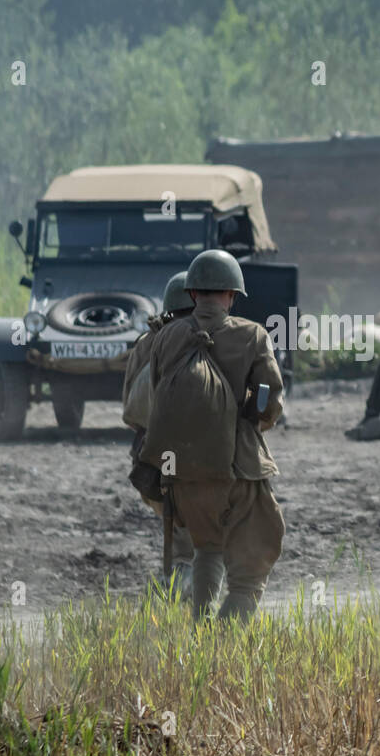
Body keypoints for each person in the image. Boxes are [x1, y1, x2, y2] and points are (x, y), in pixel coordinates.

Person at [147, 250, 285, 622]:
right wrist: (255, 416)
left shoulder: (165, 338)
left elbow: (158, 396)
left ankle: (200, 633)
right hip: (238, 470)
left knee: (206, 550)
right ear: (231, 294)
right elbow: (268, 399)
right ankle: (221, 647)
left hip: (184, 476)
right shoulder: (251, 335)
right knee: (250, 575)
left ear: (192, 294)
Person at [122, 272, 197, 594]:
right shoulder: (208, 338)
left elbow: (129, 405)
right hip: (195, 448)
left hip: (152, 452)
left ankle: (180, 572)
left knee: (172, 511)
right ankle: (188, 576)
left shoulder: (147, 342)